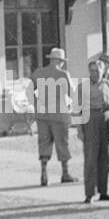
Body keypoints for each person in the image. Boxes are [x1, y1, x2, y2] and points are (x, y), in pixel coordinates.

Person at [32, 47, 76, 187]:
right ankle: (65, 173)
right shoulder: (63, 74)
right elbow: (71, 93)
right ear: (59, 61)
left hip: (42, 113)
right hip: (59, 114)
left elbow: (29, 89)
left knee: (44, 142)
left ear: (50, 59)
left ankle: (44, 173)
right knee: (62, 143)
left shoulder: (39, 72)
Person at [82, 56, 109, 204]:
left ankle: (103, 191)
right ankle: (90, 193)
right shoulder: (84, 86)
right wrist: (79, 130)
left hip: (106, 120)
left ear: (103, 71)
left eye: (97, 71)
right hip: (90, 120)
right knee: (91, 159)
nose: (94, 73)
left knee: (106, 158)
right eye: (92, 71)